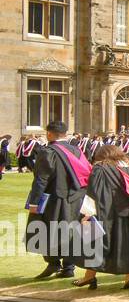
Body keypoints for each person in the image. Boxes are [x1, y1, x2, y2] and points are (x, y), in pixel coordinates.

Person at [77, 145, 129, 291]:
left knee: (97, 242)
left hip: (112, 215)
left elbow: (94, 195)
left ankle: (89, 276)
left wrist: (87, 214)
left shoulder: (101, 169)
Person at [25, 120, 91, 280]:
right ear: (65, 134)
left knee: (46, 229)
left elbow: (41, 179)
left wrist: (34, 202)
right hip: (76, 198)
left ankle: (53, 263)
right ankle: (69, 266)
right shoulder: (76, 150)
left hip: (54, 199)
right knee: (72, 230)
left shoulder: (48, 151)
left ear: (48, 134)